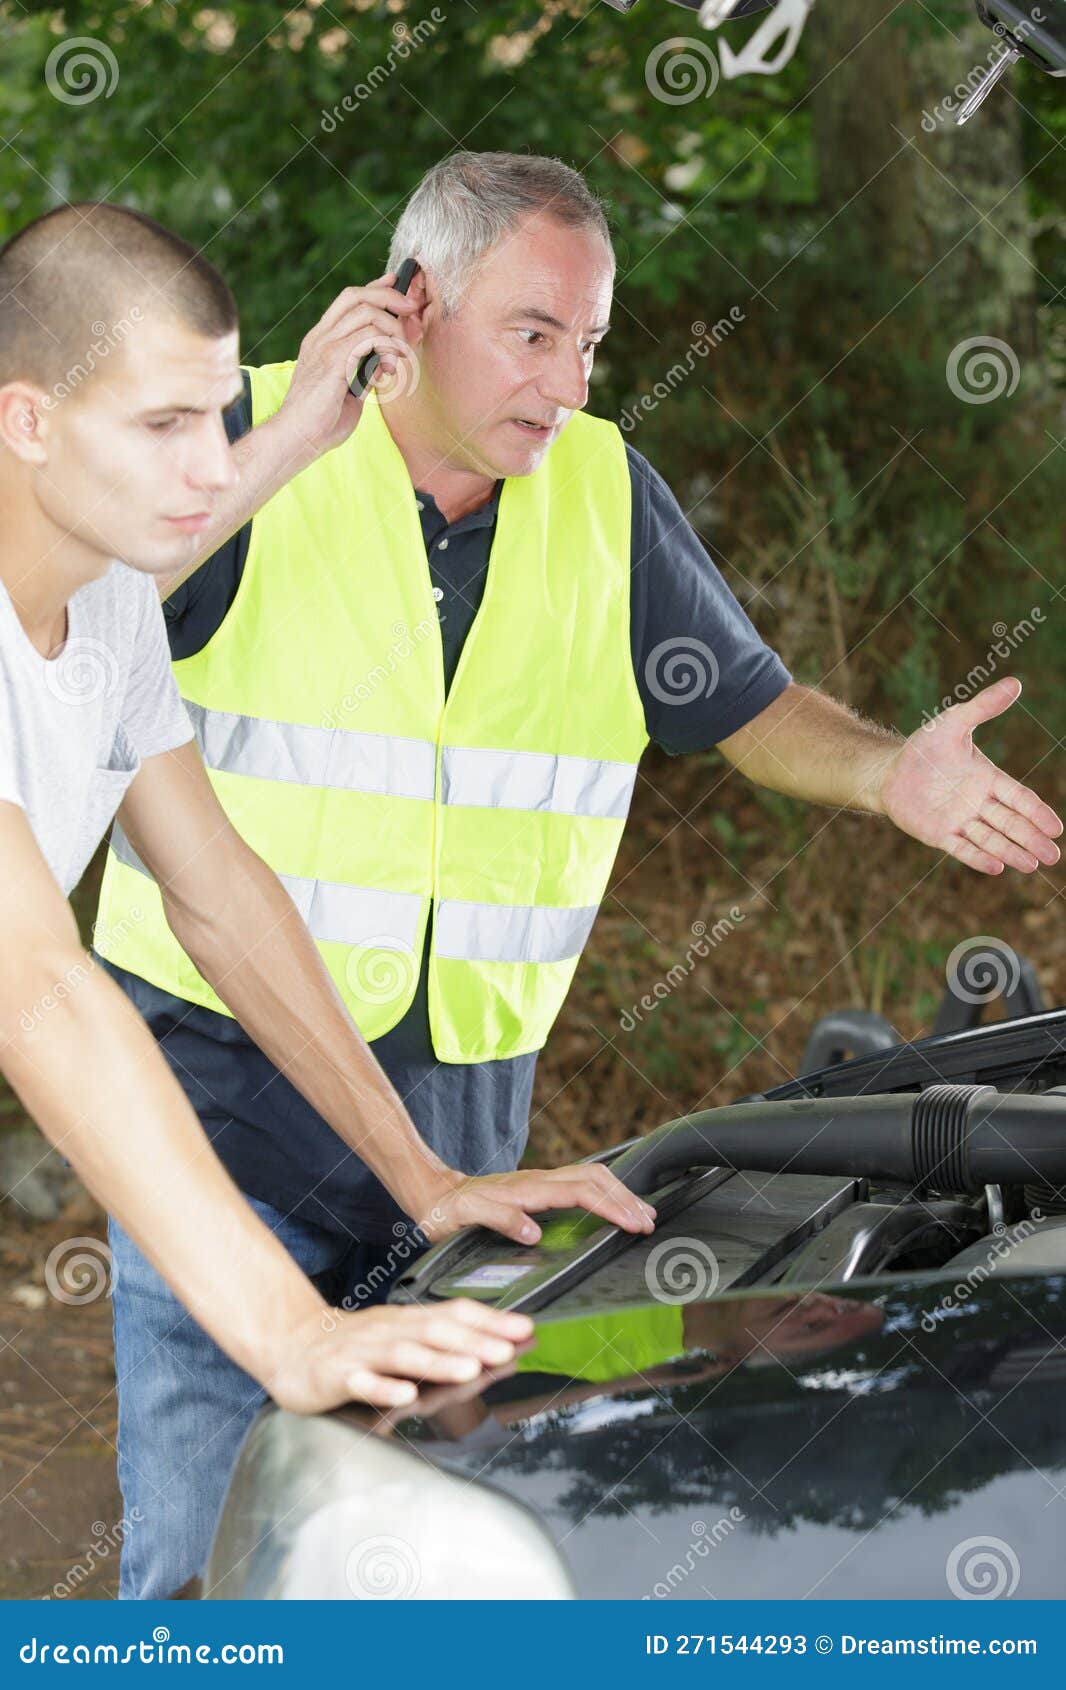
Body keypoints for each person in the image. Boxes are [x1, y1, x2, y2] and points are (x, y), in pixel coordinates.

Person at [92, 149, 1061, 1598]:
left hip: (466, 1142)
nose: (564, 381)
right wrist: (285, 442)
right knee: (195, 1565)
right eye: (530, 333)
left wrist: (880, 771)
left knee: (416, 1549)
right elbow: (73, 610)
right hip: (216, 1113)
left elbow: (744, 707)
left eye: (591, 342)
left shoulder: (603, 488)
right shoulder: (242, 438)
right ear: (409, 310)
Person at [0, 196, 660, 1596]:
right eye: (166, 424)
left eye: (217, 412)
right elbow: (39, 984)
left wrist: (420, 1178)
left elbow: (220, 890)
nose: (210, 462)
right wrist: (289, 1332)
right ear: (30, 420)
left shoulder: (107, 608)